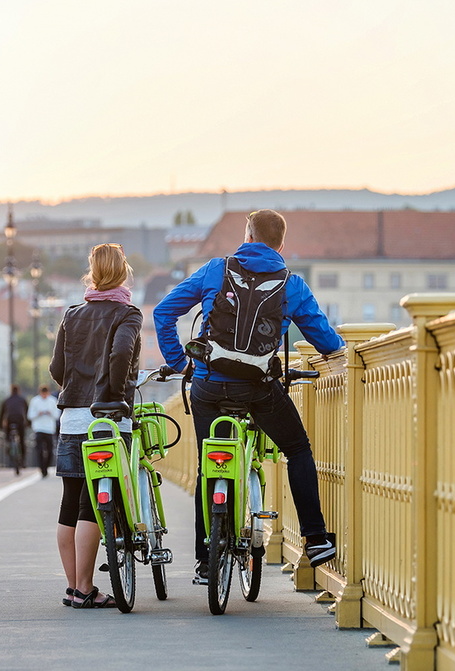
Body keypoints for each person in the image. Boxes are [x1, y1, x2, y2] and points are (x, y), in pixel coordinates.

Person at [153, 209, 345, 585]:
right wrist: (341, 353)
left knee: (208, 464)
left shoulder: (215, 269)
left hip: (208, 386)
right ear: (281, 244)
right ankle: (316, 538)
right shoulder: (292, 284)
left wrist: (181, 364)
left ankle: (205, 562)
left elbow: (163, 313)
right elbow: (326, 340)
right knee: (297, 449)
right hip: (257, 389)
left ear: (248, 236)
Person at [49, 243, 141, 609]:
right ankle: (87, 586)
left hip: (72, 419)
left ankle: (75, 588)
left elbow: (57, 369)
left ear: (92, 273)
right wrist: (113, 395)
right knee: (93, 504)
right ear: (123, 272)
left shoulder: (72, 315)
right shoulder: (128, 314)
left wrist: (77, 389)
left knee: (70, 502)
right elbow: (121, 353)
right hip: (109, 422)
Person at [27, 385, 60, 478]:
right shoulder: (35, 401)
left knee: (50, 450)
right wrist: (38, 414)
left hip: (49, 429)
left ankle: (46, 466)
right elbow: (30, 415)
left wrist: (50, 413)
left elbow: (57, 415)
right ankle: (42, 468)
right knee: (39, 450)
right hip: (38, 428)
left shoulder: (52, 401)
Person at [0, 385, 29, 473]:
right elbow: (27, 413)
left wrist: (0, 425)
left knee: (8, 437)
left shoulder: (6, 400)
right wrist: (28, 423)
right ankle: (22, 461)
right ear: (18, 391)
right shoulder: (22, 400)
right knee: (22, 440)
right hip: (20, 422)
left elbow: (2, 414)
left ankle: (8, 446)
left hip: (9, 421)